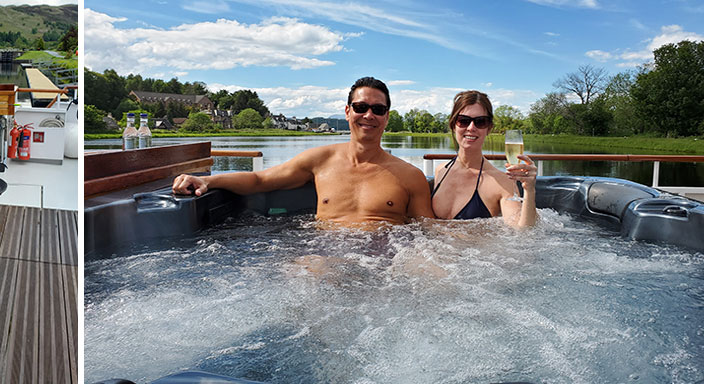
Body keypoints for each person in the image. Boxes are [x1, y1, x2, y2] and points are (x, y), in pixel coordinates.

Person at [171, 77, 435, 227]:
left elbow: (427, 231)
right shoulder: (320, 160)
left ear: (387, 118)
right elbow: (260, 180)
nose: (369, 115)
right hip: (327, 253)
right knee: (304, 272)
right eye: (360, 107)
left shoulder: (409, 176)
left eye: (378, 110)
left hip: (385, 258)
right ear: (347, 112)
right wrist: (207, 179)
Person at [431, 90, 538, 226]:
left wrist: (529, 190)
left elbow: (522, 232)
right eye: (463, 121)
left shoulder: (502, 182)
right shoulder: (441, 171)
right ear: (454, 125)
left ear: (489, 128)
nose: (471, 128)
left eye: (480, 122)